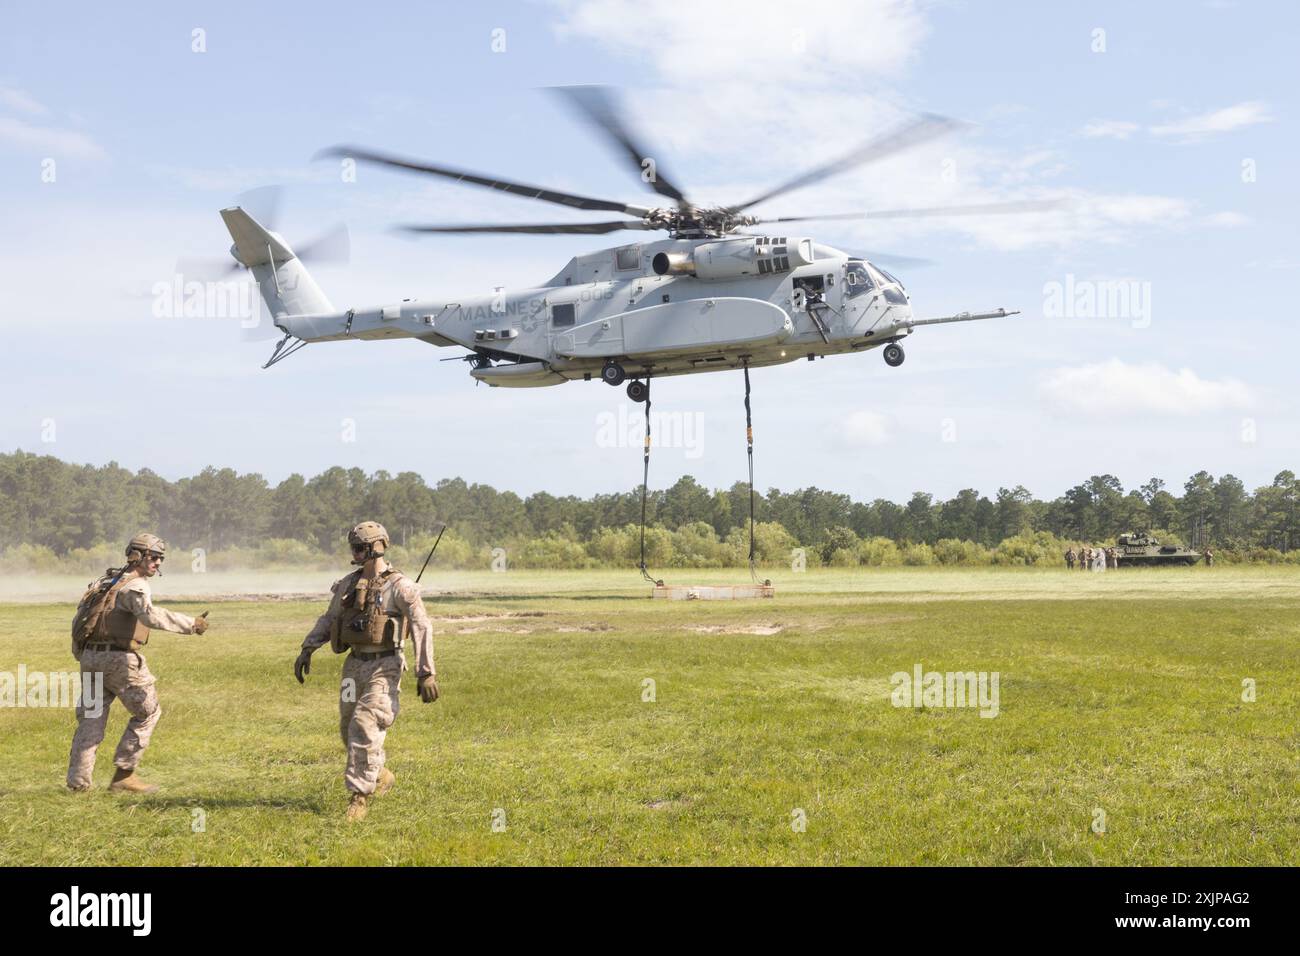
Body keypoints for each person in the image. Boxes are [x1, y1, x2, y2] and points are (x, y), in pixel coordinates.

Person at [294, 522, 438, 821]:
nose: (355, 553)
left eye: (360, 548)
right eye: (353, 548)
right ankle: (380, 774)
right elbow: (330, 618)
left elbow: (422, 626)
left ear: (376, 547)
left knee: (365, 721)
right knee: (348, 727)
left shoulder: (400, 586)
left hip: (385, 666)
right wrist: (308, 648)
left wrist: (426, 673)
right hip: (353, 666)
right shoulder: (348, 585)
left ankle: (359, 797)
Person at [67, 533, 210, 794]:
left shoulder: (105, 582)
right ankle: (124, 776)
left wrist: (81, 654)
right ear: (137, 556)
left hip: (90, 657)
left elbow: (80, 620)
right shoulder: (136, 586)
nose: (157, 563)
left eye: (161, 559)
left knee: (90, 719)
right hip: (119, 660)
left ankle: (78, 783)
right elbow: (150, 615)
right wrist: (192, 624)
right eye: (153, 557)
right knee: (148, 712)